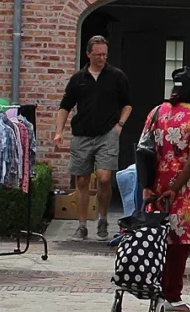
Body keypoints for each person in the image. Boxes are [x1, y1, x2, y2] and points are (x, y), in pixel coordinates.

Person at [141, 66, 190, 312]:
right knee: (179, 242)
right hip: (185, 190)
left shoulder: (156, 112)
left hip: (156, 188)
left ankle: (155, 289)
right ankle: (173, 296)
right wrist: (176, 187)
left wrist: (147, 186)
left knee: (157, 240)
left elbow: (143, 150)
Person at [53, 35, 132, 240]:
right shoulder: (78, 79)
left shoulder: (117, 76)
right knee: (81, 180)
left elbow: (128, 103)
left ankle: (103, 219)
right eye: (97, 55)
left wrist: (119, 126)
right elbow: (65, 106)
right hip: (82, 134)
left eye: (104, 54)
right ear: (88, 54)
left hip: (108, 133)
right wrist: (59, 131)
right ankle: (81, 224)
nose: (101, 58)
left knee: (104, 177)